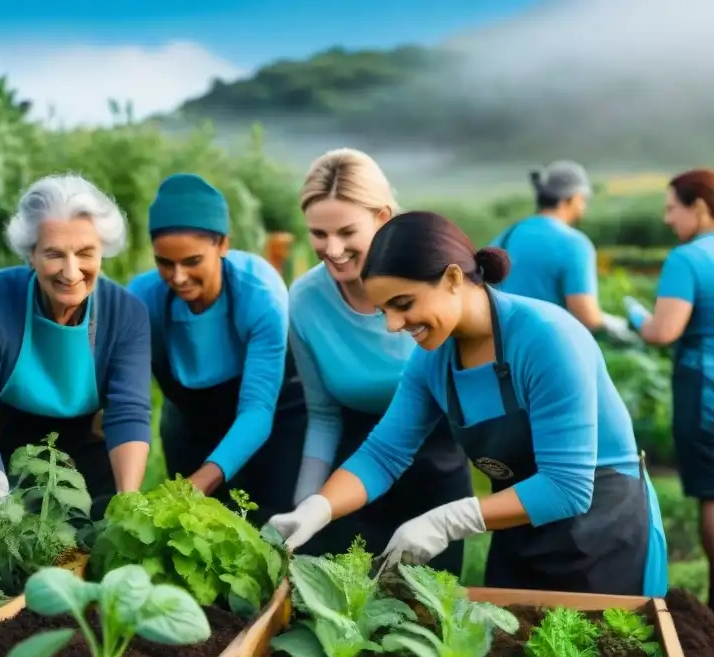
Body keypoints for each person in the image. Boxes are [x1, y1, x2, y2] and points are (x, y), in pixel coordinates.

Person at [269, 211, 668, 597]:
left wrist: (448, 520)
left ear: (453, 278)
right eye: (384, 311)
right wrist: (317, 508)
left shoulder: (547, 339)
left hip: (602, 532)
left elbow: (567, 487)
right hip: (519, 525)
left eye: (403, 304)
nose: (393, 325)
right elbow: (382, 454)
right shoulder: (432, 359)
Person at [288, 148, 471, 567]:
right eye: (318, 233)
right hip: (352, 471)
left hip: (435, 464)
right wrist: (308, 503)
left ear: (383, 217)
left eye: (346, 232)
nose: (332, 249)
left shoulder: (432, 290)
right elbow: (323, 415)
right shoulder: (304, 300)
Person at [0, 174, 151, 515]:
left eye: (85, 253)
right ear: (31, 255)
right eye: (54, 254)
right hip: (2, 456)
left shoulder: (127, 313)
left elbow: (128, 413)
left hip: (89, 460)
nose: (71, 271)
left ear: (102, 253)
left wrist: (128, 503)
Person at [128, 173, 306, 519]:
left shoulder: (260, 294)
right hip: (190, 425)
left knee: (270, 532)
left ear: (222, 245)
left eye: (192, 261)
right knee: (193, 533)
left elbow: (257, 409)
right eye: (165, 263)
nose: (178, 277)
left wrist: (201, 481)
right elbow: (122, 394)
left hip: (273, 422)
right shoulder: (141, 298)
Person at [624, 169, 714, 605]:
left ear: (698, 206)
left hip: (705, 390)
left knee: (712, 494)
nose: (666, 219)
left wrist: (636, 317)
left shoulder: (688, 259)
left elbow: (664, 332)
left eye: (672, 208)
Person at [492, 160, 634, 342]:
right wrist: (618, 328)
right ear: (572, 198)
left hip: (500, 347)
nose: (584, 205)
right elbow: (587, 317)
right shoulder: (574, 243)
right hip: (546, 348)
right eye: (583, 199)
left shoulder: (508, 234)